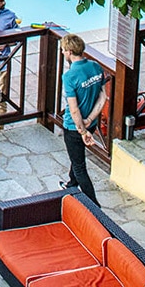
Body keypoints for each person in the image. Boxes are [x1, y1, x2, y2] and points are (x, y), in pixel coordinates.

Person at [60, 33, 108, 205]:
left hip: (74, 127)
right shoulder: (95, 67)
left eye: (63, 51)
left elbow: (73, 109)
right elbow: (103, 97)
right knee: (77, 157)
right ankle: (70, 184)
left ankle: (94, 205)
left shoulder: (69, 76)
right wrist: (89, 121)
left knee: (80, 167)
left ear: (70, 51)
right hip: (91, 123)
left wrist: (81, 129)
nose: (63, 54)